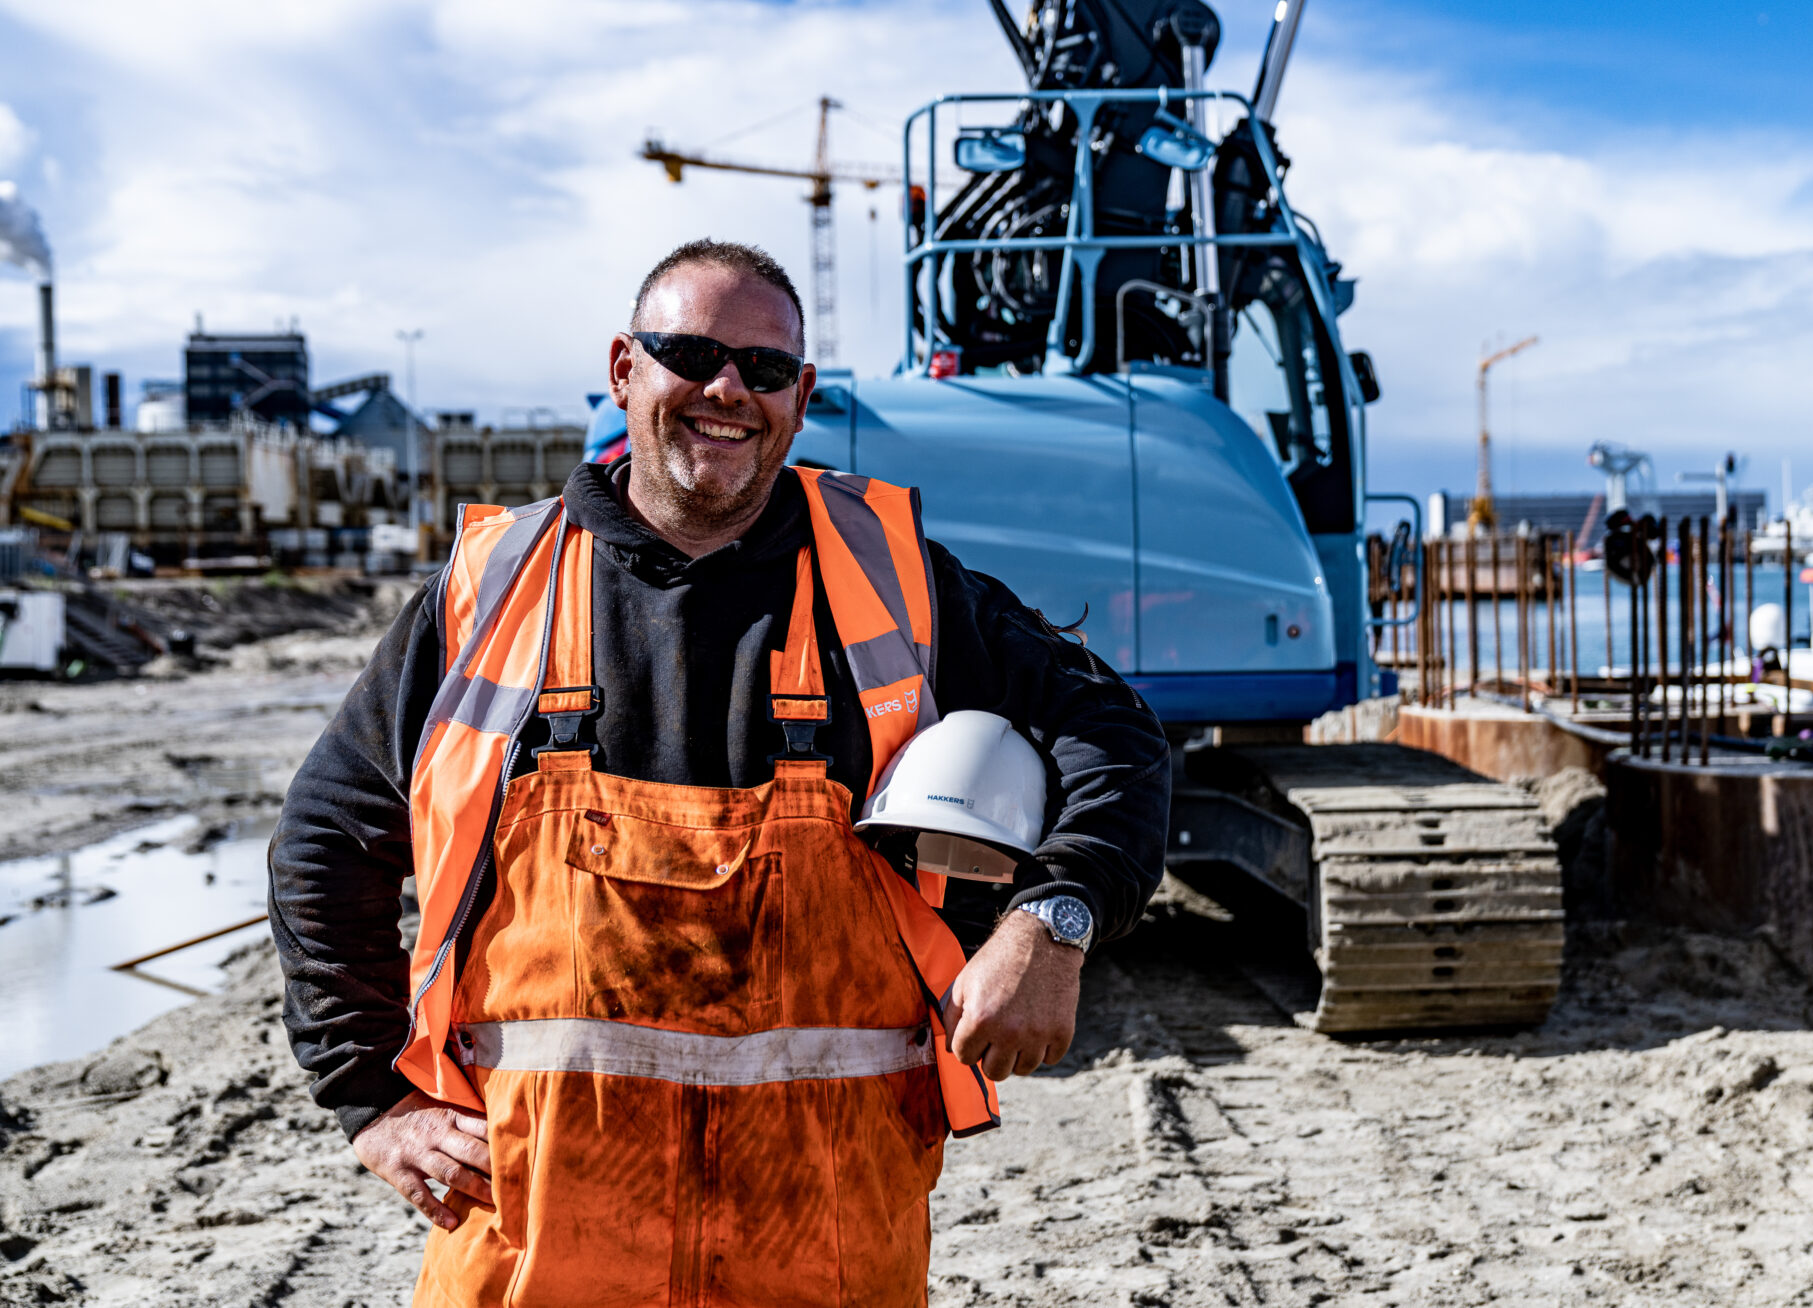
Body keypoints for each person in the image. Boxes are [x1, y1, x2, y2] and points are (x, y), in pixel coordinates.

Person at [268, 238, 1170, 1304]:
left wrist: (1050, 921)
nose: (728, 389)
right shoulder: (488, 595)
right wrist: (372, 1097)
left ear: (802, 397)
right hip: (543, 1227)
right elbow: (327, 839)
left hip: (824, 1227)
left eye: (765, 368)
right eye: (691, 353)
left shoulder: (894, 585)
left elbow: (1109, 729)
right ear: (622, 368)